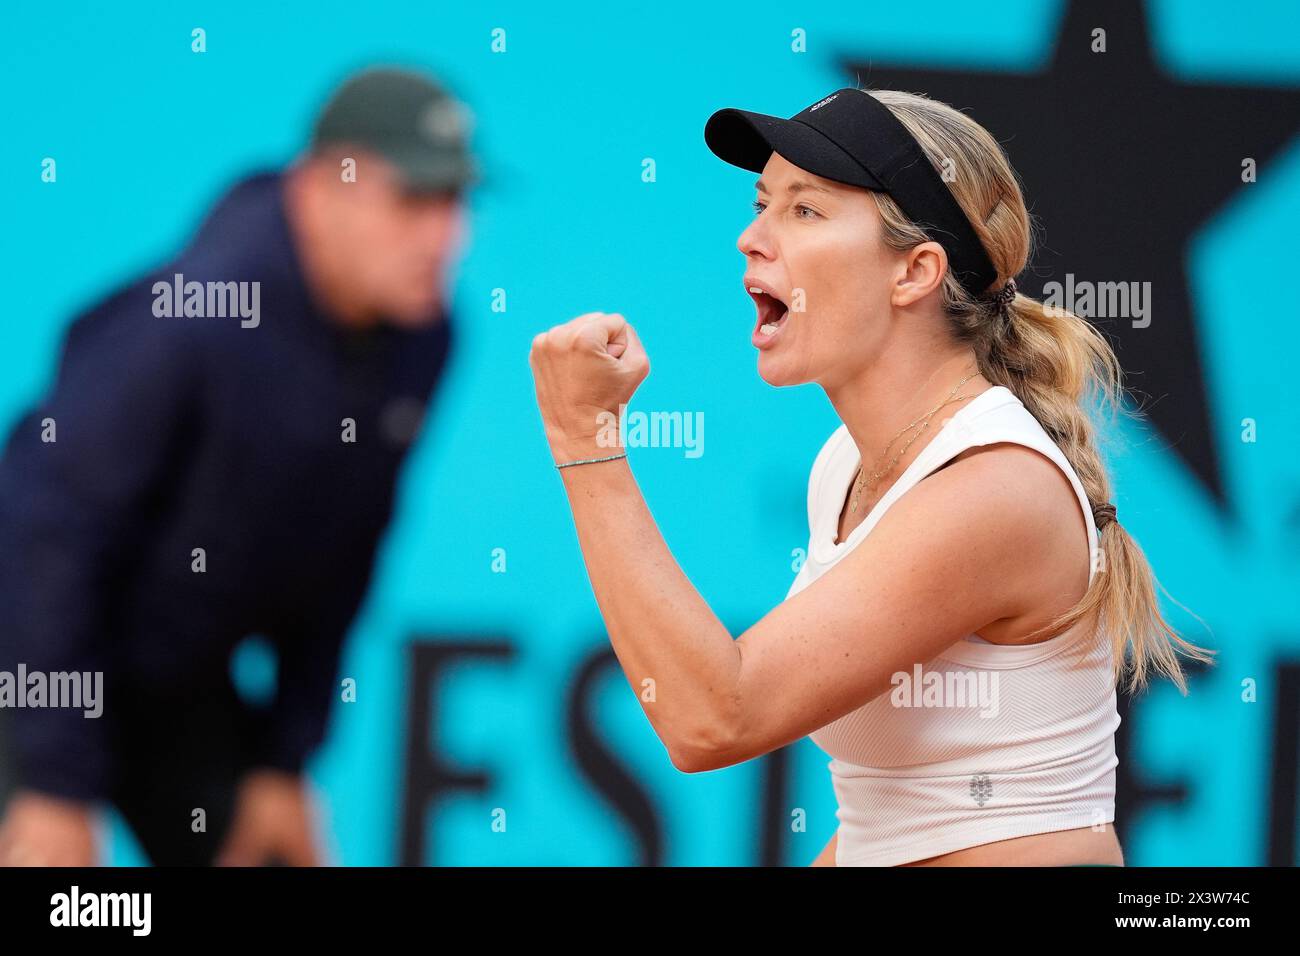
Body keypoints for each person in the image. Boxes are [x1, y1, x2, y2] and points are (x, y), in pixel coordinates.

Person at [527, 87, 1215, 866]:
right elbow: (887, 823)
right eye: (761, 204)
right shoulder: (844, 465)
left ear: (915, 272)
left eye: (804, 210)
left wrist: (586, 438)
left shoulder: (996, 488)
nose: (751, 238)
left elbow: (712, 717)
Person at [0, 66, 476, 866]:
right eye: (413, 201)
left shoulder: (423, 338)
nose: (444, 237)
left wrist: (282, 760)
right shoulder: (191, 320)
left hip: (172, 682)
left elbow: (352, 547)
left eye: (456, 203)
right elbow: (44, 534)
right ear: (323, 191)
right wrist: (51, 786)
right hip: (26, 654)